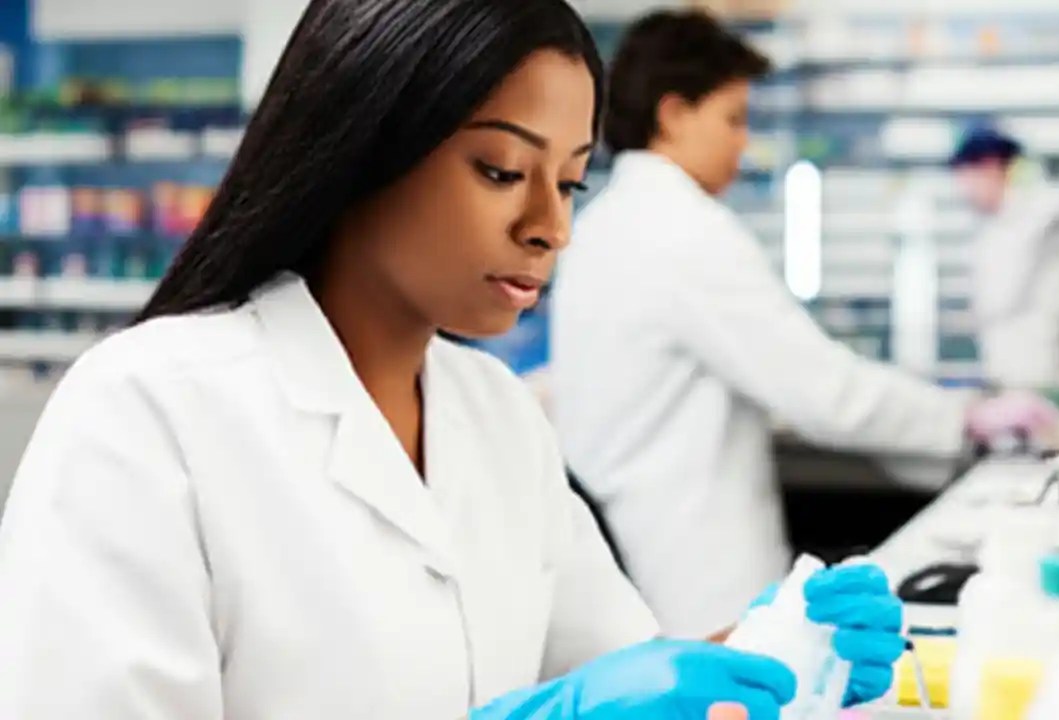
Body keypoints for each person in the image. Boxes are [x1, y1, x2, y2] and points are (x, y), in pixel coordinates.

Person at [0, 1, 906, 717]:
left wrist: (774, 655)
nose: (550, 226)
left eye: (570, 181)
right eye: (504, 172)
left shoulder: (495, 413)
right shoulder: (147, 410)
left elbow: (619, 672)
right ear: (363, 147)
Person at [551, 10, 1059, 640]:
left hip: (655, 547)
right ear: (675, 114)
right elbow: (822, 391)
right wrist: (968, 416)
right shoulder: (679, 231)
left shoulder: (611, 221)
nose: (744, 142)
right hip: (697, 572)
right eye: (733, 118)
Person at [949, 127, 1059, 388]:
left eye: (967, 180)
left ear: (991, 168)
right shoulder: (997, 226)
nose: (965, 192)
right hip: (1010, 365)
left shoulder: (1041, 213)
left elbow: (1001, 296)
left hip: (1041, 363)